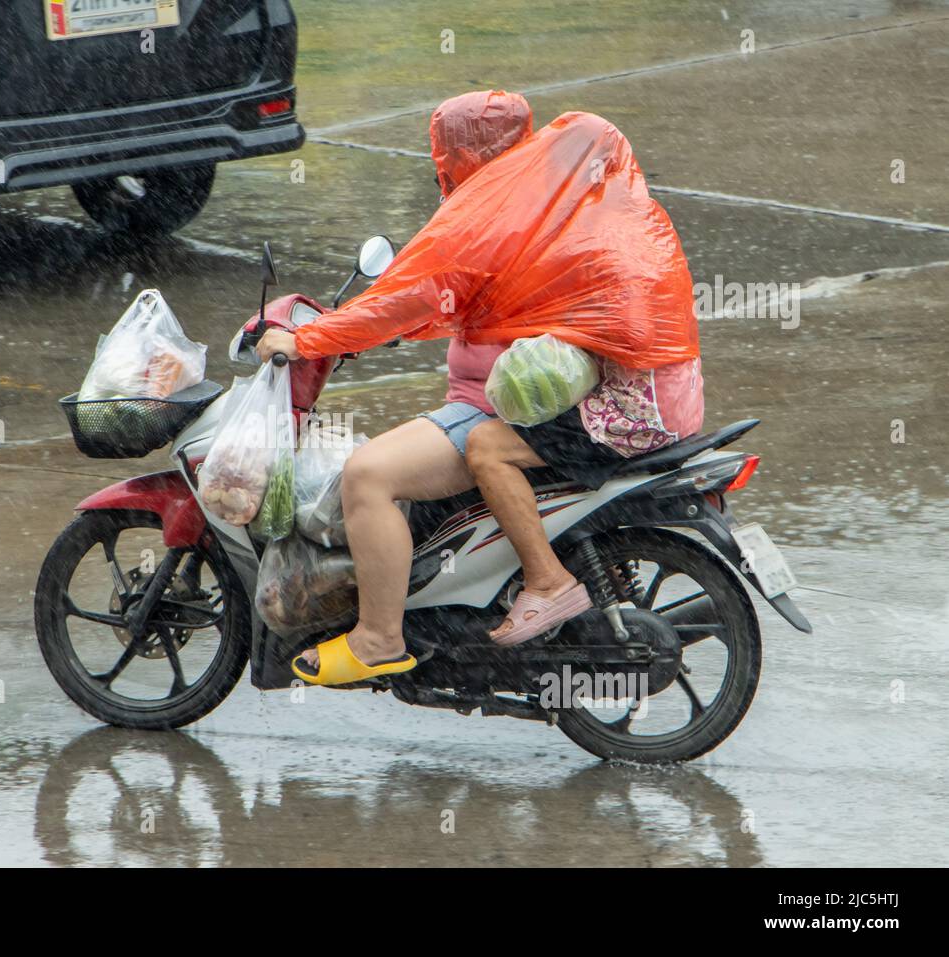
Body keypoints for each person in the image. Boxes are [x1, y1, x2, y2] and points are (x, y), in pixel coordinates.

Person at [256, 90, 702, 685]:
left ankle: (381, 638)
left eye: (443, 160)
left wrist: (311, 340)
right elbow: (451, 300)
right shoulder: (561, 198)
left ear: (457, 158)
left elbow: (411, 295)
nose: (442, 173)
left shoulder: (490, 218)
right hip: (668, 390)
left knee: (370, 475)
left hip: (622, 408)